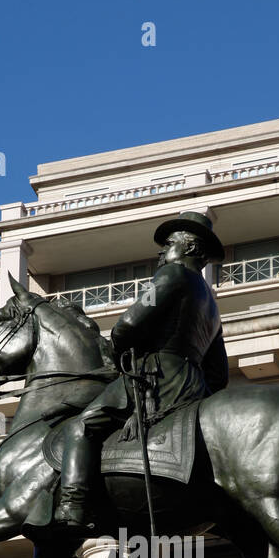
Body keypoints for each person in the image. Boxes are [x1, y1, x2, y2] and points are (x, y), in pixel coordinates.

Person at [53, 210, 228, 529]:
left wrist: (118, 354)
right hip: (193, 387)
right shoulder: (212, 304)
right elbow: (219, 374)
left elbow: (128, 324)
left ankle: (73, 503)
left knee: (80, 427)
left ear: (188, 249)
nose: (162, 252)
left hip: (154, 375)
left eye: (169, 244)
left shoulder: (171, 275)